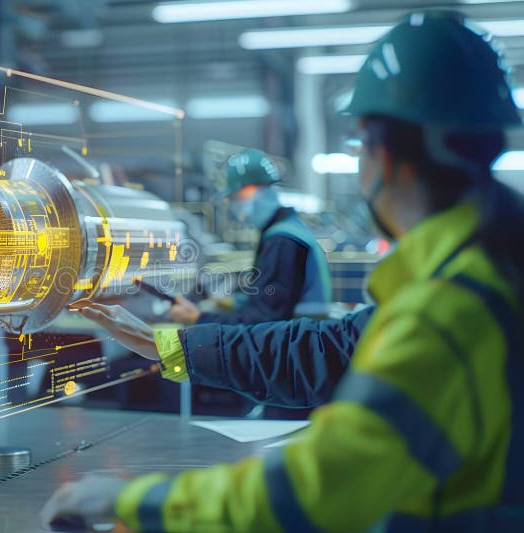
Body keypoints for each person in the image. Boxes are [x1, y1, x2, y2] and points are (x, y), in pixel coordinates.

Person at [42, 10, 524, 532]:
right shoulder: (485, 269)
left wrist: (134, 502)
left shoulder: (447, 311)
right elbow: (329, 349)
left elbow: (315, 492)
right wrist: (170, 344)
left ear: (386, 156)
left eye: (360, 142)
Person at [168, 148, 332, 326]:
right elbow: (269, 298)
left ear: (267, 190)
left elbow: (266, 320)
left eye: (242, 196)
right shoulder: (286, 230)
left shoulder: (283, 241)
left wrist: (199, 319)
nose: (237, 205)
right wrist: (234, 302)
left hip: (299, 343)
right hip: (302, 336)